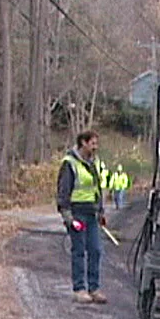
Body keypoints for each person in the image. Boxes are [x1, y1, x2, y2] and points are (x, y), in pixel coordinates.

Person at [56, 130, 108, 304]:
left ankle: (94, 288)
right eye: (93, 143)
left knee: (95, 250)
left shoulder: (94, 163)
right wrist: (68, 217)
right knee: (79, 251)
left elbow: (97, 189)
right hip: (76, 213)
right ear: (83, 143)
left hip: (91, 214)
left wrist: (100, 211)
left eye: (96, 144)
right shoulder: (69, 163)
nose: (95, 147)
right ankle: (79, 288)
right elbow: (63, 192)